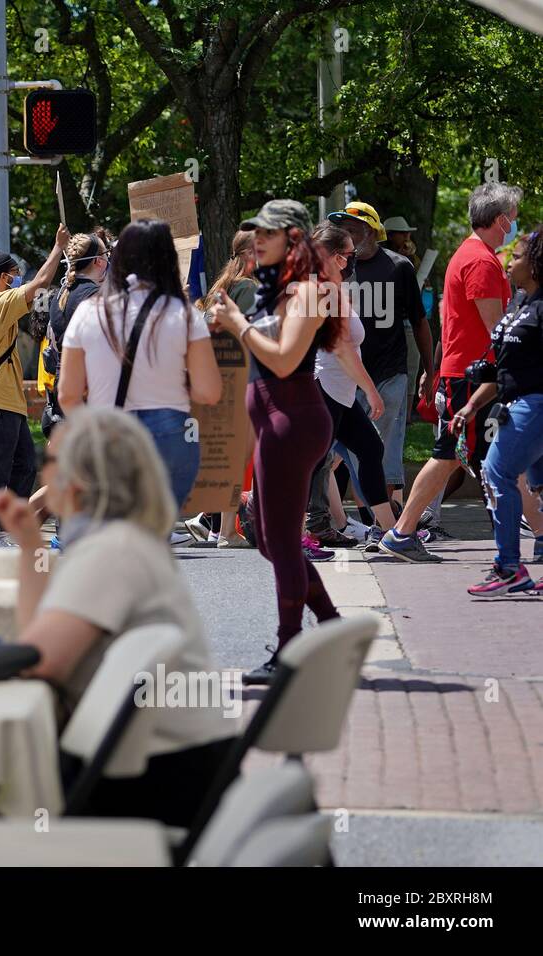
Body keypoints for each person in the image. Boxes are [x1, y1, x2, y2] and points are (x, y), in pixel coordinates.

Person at [0, 407, 234, 826]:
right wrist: (31, 546)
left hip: (155, 780)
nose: (42, 474)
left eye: (50, 462)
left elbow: (38, 664)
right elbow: (39, 644)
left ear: (76, 481)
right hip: (180, 762)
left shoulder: (110, 552)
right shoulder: (126, 539)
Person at [210, 199, 347, 684]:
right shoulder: (280, 290)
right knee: (267, 537)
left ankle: (291, 649)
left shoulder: (307, 291)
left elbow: (286, 361)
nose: (257, 241)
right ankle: (332, 629)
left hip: (295, 418)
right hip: (273, 418)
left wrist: (237, 325)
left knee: (283, 542)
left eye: (266, 234)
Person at [381, 183, 522, 562]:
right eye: (513, 215)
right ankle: (402, 531)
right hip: (473, 376)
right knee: (449, 455)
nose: (514, 224)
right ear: (501, 219)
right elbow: (498, 329)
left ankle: (404, 531)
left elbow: (454, 323)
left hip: (467, 373)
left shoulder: (470, 255)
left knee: (468, 453)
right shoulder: (481, 261)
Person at [60, 218, 222, 509]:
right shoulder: (184, 314)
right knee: (154, 531)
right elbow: (209, 392)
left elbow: (68, 395)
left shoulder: (89, 312)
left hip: (108, 429)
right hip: (171, 433)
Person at [327, 201, 434, 531]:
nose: (346, 234)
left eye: (352, 228)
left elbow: (419, 321)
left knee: (380, 451)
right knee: (335, 452)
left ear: (371, 231)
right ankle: (365, 522)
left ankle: (384, 525)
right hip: (345, 377)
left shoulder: (399, 266)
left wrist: (430, 370)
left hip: (388, 373)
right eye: (341, 228)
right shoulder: (340, 269)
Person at [0, 224, 71, 547]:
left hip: (6, 402)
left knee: (25, 464)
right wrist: (58, 248)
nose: (15, 277)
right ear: (0, 277)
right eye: (11, 273)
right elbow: (40, 284)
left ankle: (4, 525)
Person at [458, 229, 543, 595]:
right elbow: (503, 365)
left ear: (537, 264)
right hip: (513, 402)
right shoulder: (520, 303)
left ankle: (509, 567)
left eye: (518, 256)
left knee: (496, 472)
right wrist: (473, 403)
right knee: (538, 486)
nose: (509, 262)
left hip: (535, 403)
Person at [306, 222, 397, 551]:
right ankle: (292, 528)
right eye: (347, 254)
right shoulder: (323, 290)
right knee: (312, 462)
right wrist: (371, 390)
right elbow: (342, 350)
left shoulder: (331, 287)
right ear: (331, 257)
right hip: (326, 387)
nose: (352, 260)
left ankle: (389, 532)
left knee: (366, 450)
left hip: (338, 391)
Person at [187, 229, 258, 548]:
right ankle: (225, 529)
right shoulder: (247, 288)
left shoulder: (221, 287)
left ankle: (218, 525)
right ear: (247, 254)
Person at [42, 232, 110, 440]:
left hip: (66, 384)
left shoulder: (61, 294)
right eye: (107, 254)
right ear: (99, 261)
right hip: (90, 387)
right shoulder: (94, 296)